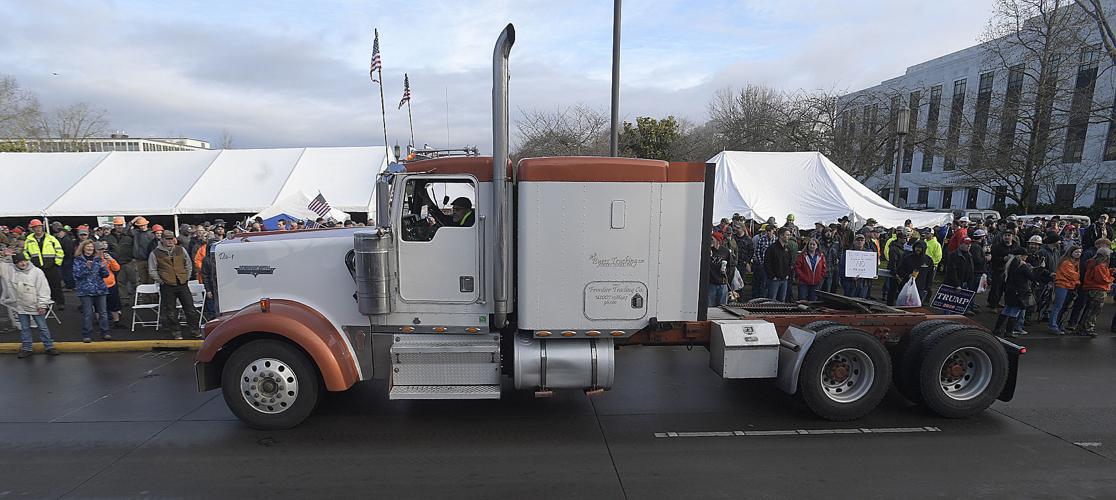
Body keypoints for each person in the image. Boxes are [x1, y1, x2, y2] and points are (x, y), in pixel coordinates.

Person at [0, 248, 57, 357]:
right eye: (19, 262)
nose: (22, 263)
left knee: (43, 327)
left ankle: (49, 346)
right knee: (24, 328)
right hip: (21, 306)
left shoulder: (36, 272)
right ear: (15, 264)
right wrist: (5, 256)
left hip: (36, 306)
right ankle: (27, 348)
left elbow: (43, 289)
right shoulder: (12, 272)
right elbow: (3, 267)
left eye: (24, 260)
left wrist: (42, 304)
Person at [149, 232, 200, 339]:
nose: (170, 241)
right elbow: (152, 270)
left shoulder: (181, 249)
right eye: (167, 239)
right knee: (170, 311)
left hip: (182, 283)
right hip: (167, 286)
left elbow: (188, 264)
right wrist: (161, 281)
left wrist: (186, 277)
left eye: (171, 238)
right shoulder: (155, 253)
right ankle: (176, 332)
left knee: (191, 309)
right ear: (161, 239)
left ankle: (194, 330)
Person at [993, 248, 1047, 338]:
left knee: (1006, 310)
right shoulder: (1022, 266)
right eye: (1025, 255)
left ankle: (997, 329)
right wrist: (1041, 268)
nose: (1026, 257)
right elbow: (1033, 277)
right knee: (1014, 312)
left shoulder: (1010, 264)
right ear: (1021, 256)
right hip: (1019, 292)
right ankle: (1009, 332)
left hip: (1010, 291)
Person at [73, 239, 112, 343]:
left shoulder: (98, 259)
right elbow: (77, 275)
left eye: (91, 246)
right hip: (85, 290)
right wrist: (87, 268)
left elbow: (105, 275)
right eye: (88, 246)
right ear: (83, 247)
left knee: (103, 312)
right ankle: (87, 334)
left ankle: (105, 332)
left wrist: (104, 267)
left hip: (100, 289)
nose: (90, 248)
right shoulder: (78, 260)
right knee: (88, 313)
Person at [24, 219, 66, 311]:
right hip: (37, 267)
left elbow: (59, 251)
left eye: (39, 227)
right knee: (40, 287)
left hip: (52, 266)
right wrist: (30, 265)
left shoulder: (51, 238)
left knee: (56, 285)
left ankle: (60, 302)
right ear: (32, 229)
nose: (38, 229)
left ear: (42, 228)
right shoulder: (29, 240)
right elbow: (26, 253)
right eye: (35, 228)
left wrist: (56, 263)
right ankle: (45, 304)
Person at [1075, 246, 1113, 337]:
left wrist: (1110, 271)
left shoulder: (1092, 263)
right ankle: (1088, 328)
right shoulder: (1100, 266)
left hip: (1091, 288)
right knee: (1095, 311)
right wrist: (1111, 278)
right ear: (1105, 256)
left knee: (1089, 309)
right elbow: (1101, 279)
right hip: (1098, 289)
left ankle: (1082, 328)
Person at [1048, 246, 1082, 335]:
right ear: (1071, 252)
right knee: (1057, 307)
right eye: (1076, 252)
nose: (1078, 254)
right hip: (1062, 285)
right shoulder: (1066, 263)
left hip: (1068, 286)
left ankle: (1056, 324)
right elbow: (1072, 275)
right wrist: (1078, 279)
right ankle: (1053, 326)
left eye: (1079, 252)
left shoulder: (1075, 263)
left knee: (1061, 307)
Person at [104, 217, 135, 301]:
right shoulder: (109, 237)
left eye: (120, 225)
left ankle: (138, 298)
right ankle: (124, 299)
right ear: (114, 225)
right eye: (117, 225)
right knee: (120, 283)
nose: (119, 227)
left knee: (135, 281)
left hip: (130, 261)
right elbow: (107, 249)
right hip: (117, 263)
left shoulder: (130, 235)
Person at [987, 231, 1020, 309]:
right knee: (996, 288)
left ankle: (1005, 305)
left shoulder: (1016, 246)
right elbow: (993, 258)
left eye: (1009, 235)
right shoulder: (997, 246)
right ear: (1002, 237)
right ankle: (993, 306)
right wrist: (1003, 259)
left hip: (1011, 271)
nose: (1007, 237)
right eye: (1005, 235)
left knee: (1007, 289)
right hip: (999, 270)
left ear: (1012, 237)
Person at [95, 241, 123, 328]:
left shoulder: (108, 257)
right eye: (100, 249)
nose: (102, 252)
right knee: (98, 306)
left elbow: (116, 268)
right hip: (98, 285)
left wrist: (111, 260)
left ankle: (116, 322)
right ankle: (100, 322)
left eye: (103, 249)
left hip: (111, 284)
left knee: (114, 304)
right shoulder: (92, 259)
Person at [764, 228, 793, 301]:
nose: (789, 237)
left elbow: (790, 262)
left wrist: (787, 274)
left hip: (784, 280)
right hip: (774, 280)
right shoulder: (772, 248)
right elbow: (767, 264)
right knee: (771, 301)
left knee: (782, 300)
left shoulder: (787, 248)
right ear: (781, 235)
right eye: (787, 235)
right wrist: (772, 276)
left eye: (789, 235)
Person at [841, 234, 871, 298]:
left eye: (861, 240)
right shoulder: (847, 253)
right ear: (854, 241)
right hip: (850, 283)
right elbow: (842, 268)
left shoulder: (869, 254)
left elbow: (872, 268)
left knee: (861, 302)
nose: (859, 242)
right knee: (849, 301)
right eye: (857, 240)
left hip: (864, 283)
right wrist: (850, 276)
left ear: (864, 241)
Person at [131, 217, 156, 288]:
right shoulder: (136, 233)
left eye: (143, 225)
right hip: (140, 260)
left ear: (146, 225)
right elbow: (125, 231)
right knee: (143, 281)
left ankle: (153, 298)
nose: (142, 227)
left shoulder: (152, 234)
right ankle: (146, 298)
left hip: (150, 260)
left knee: (152, 281)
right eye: (140, 226)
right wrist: (134, 220)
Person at [752, 224, 775, 300]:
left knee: (770, 283)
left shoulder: (776, 240)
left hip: (772, 266)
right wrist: (761, 262)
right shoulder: (762, 239)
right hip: (763, 265)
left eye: (769, 231)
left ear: (773, 231)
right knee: (763, 283)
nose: (768, 232)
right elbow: (758, 252)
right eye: (767, 231)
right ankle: (761, 299)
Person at [201, 237, 219, 319]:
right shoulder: (206, 260)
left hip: (223, 286)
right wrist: (208, 290)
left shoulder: (223, 257)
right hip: (212, 286)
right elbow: (205, 276)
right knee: (213, 310)